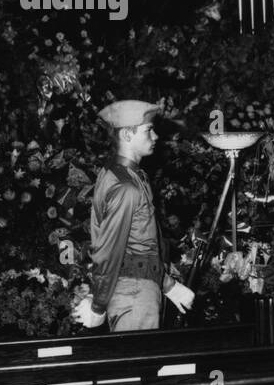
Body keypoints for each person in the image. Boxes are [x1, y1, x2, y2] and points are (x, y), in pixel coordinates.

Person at [72, 100, 195, 331]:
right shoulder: (126, 187)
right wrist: (98, 306)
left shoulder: (124, 174)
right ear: (127, 135)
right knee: (140, 367)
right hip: (134, 296)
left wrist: (168, 285)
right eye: (148, 130)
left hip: (137, 289)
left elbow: (139, 244)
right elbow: (110, 251)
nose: (156, 136)